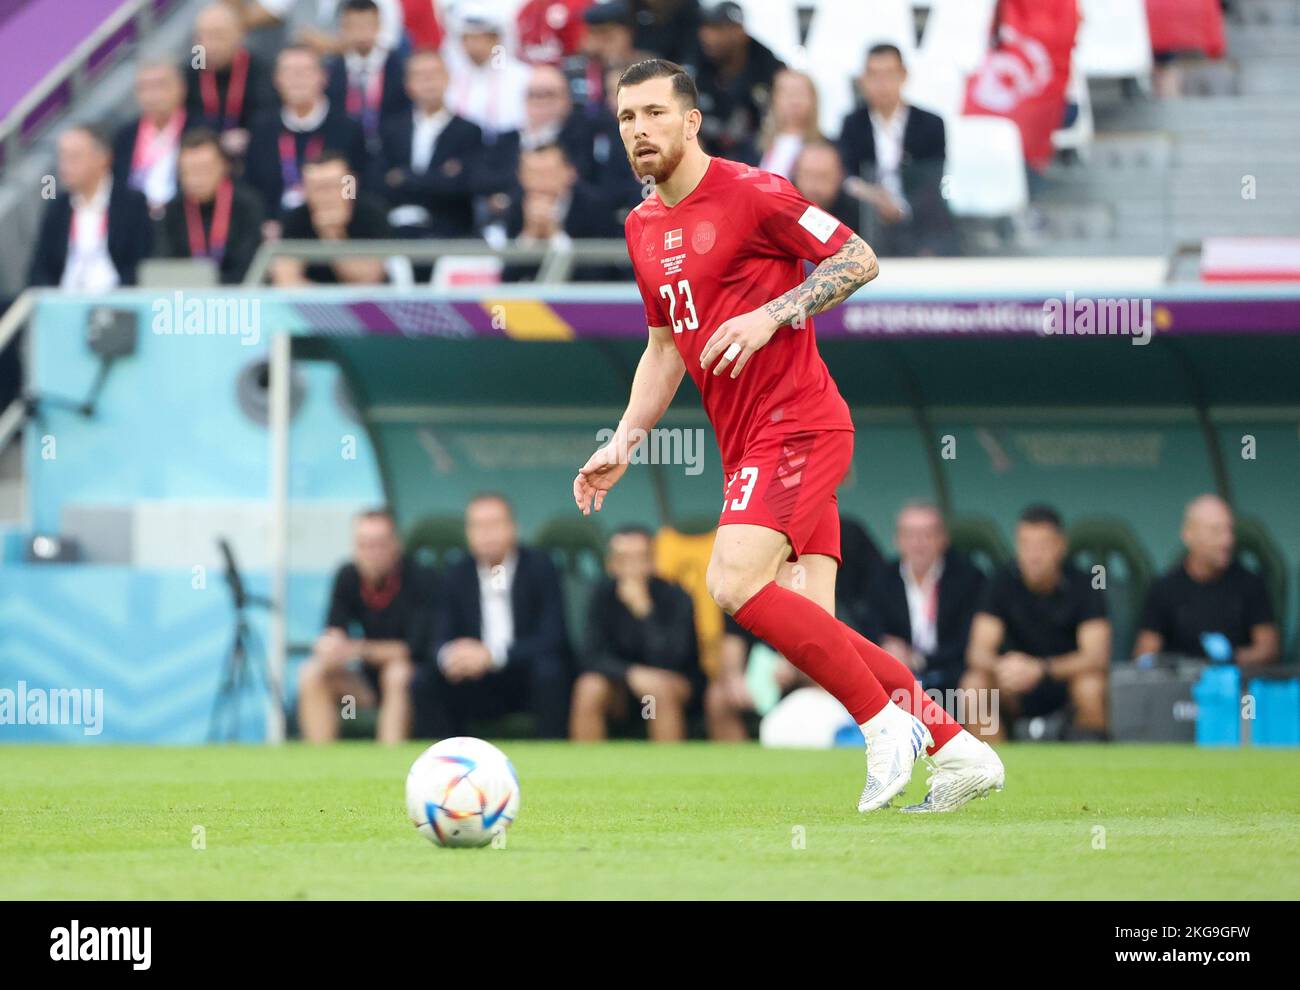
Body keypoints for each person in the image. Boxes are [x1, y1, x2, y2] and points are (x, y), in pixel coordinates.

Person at [573, 59, 1005, 814]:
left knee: (731, 583)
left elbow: (857, 258)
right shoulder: (642, 229)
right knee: (810, 619)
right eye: (626, 119)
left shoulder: (752, 192)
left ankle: (884, 728)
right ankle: (960, 749)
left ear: (691, 120)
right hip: (747, 443)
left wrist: (775, 312)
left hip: (799, 423)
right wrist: (626, 440)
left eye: (653, 113)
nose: (639, 130)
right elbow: (666, 349)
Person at [414, 492, 573, 739]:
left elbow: (553, 637)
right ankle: (442, 763)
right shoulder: (456, 573)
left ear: (513, 528)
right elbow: (436, 638)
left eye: (495, 524)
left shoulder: (540, 567)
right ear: (468, 532)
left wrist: (493, 655)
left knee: (550, 672)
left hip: (523, 675)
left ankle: (552, 757)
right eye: (478, 526)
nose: (487, 534)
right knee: (423, 681)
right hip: (473, 681)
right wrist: (452, 656)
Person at [964, 505, 1111, 741]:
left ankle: (1089, 769)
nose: (1033, 556)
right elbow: (977, 652)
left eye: (1042, 546)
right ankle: (994, 769)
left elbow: (1096, 657)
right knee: (973, 685)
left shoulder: (1088, 583)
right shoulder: (1001, 581)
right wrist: (1005, 667)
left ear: (1060, 546)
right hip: (1014, 685)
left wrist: (1041, 669)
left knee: (1091, 686)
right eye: (1025, 545)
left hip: (1064, 684)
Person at [298, 508, 437, 743]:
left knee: (397, 673)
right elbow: (335, 632)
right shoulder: (348, 576)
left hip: (414, 687)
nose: (372, 553)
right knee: (313, 672)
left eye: (379, 544)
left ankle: (389, 762)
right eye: (364, 545)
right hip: (365, 687)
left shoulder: (420, 577)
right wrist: (329, 648)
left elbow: (413, 650)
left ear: (395, 544)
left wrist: (358, 649)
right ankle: (319, 765)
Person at [571, 525, 701, 741]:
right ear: (610, 563)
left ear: (652, 561)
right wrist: (631, 673)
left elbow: (673, 658)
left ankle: (669, 771)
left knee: (657, 690)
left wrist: (644, 611)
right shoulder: (601, 595)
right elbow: (590, 655)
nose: (631, 567)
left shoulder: (676, 596)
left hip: (669, 684)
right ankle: (587, 771)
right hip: (618, 684)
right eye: (623, 559)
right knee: (589, 687)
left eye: (639, 558)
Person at [837, 44, 956, 257]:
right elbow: (847, 176)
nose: (881, 83)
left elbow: (933, 177)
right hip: (867, 220)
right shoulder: (853, 124)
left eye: (889, 74)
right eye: (874, 74)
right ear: (863, 79)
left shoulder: (930, 124)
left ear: (903, 75)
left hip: (920, 220)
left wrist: (901, 207)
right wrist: (875, 198)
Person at [1134, 495, 1279, 666]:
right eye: (1216, 531)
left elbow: (1269, 649)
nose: (1227, 540)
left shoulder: (1250, 584)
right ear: (1189, 535)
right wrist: (1174, 667)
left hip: (1237, 685)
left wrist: (1230, 659)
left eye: (1229, 530)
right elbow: (1145, 653)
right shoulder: (1164, 589)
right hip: (1178, 687)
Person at [866, 501, 985, 697]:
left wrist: (921, 660)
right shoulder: (881, 579)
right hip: (899, 677)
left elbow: (970, 638)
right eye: (910, 535)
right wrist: (886, 647)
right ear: (897, 540)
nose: (918, 543)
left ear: (943, 538)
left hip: (954, 675)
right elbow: (870, 627)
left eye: (927, 535)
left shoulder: (969, 578)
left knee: (978, 689)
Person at [244, 44, 367, 225]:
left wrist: (345, 206)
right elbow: (252, 185)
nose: (297, 80)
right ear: (277, 79)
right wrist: (264, 220)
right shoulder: (263, 128)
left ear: (323, 77)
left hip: (335, 223)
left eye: (305, 72)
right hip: (276, 228)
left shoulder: (347, 128)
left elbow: (356, 179)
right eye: (289, 72)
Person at [28, 125, 153, 290]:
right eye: (62, 157)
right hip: (64, 303)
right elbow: (39, 268)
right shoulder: (57, 207)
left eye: (74, 157)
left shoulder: (131, 203)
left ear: (103, 158)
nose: (65, 166)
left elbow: (142, 265)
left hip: (118, 303)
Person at [378, 48, 484, 239]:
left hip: (450, 232)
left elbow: (464, 185)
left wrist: (406, 177)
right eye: (420, 75)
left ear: (448, 78)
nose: (428, 81)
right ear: (408, 84)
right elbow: (378, 181)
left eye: (434, 74)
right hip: (396, 229)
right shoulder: (390, 129)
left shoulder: (469, 131)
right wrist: (439, 176)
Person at [158, 129, 265, 283]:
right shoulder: (173, 209)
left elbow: (250, 265)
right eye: (188, 171)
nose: (196, 179)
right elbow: (164, 264)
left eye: (204, 169)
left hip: (237, 297)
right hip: (185, 297)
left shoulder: (246, 205)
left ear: (224, 166)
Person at [271, 151, 392, 285]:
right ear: (305, 190)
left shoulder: (372, 214)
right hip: (312, 301)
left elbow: (370, 278)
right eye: (317, 188)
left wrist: (332, 235)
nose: (326, 196)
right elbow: (286, 279)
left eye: (333, 186)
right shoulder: (295, 218)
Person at [692, 0, 782, 165]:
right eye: (705, 27)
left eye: (718, 29)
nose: (707, 35)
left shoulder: (768, 68)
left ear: (739, 31)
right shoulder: (697, 63)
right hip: (705, 158)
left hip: (757, 159)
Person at [183, 3, 276, 160]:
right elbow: (186, 119)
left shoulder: (262, 71)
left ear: (240, 34)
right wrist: (217, 137)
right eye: (203, 36)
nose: (209, 45)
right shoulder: (192, 72)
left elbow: (268, 116)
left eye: (218, 35)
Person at [324, 0, 410, 155]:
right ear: (343, 28)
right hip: (344, 152)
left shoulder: (399, 68)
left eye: (367, 25)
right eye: (354, 26)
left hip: (388, 150)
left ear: (379, 26)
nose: (361, 33)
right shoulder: (330, 71)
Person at [113, 61, 189, 218]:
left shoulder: (199, 129)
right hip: (137, 220)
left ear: (181, 87)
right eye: (144, 88)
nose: (153, 96)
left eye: (160, 85)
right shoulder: (125, 136)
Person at [442, 4, 531, 135]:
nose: (472, 45)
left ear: (496, 39)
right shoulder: (451, 77)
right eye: (466, 38)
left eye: (479, 38)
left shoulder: (522, 76)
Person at [757, 68, 821, 180]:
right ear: (774, 98)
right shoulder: (753, 145)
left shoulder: (826, 148)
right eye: (787, 93)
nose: (794, 101)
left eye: (800, 93)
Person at [792, 140, 860, 233]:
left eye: (823, 177)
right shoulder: (780, 209)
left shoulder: (860, 216)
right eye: (808, 175)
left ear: (840, 176)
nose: (814, 185)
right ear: (796, 174)